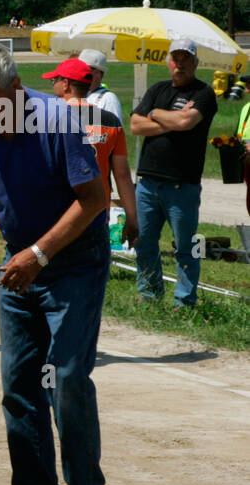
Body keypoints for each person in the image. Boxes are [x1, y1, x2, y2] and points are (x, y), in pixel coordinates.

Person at [0, 42, 110, 485]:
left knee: (66, 375)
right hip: (19, 265)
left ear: (16, 90)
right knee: (20, 382)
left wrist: (40, 254)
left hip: (72, 263)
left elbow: (94, 199)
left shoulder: (63, 122)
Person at [129, 38, 216, 307]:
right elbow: (134, 125)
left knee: (185, 247)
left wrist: (154, 114)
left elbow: (187, 121)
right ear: (168, 63)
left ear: (195, 63)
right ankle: (149, 296)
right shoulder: (158, 89)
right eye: (176, 58)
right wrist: (169, 120)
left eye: (186, 59)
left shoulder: (204, 93)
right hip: (147, 182)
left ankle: (184, 301)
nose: (180, 64)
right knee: (143, 242)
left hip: (181, 185)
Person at [44, 56, 138, 248]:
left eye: (55, 80)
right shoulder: (110, 121)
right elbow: (122, 175)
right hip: (96, 214)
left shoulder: (47, 118)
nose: (53, 84)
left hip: (56, 216)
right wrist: (132, 217)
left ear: (66, 85)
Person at [77, 49, 124, 123]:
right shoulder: (76, 94)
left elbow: (116, 130)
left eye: (83, 69)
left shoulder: (108, 99)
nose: (78, 72)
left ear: (97, 73)